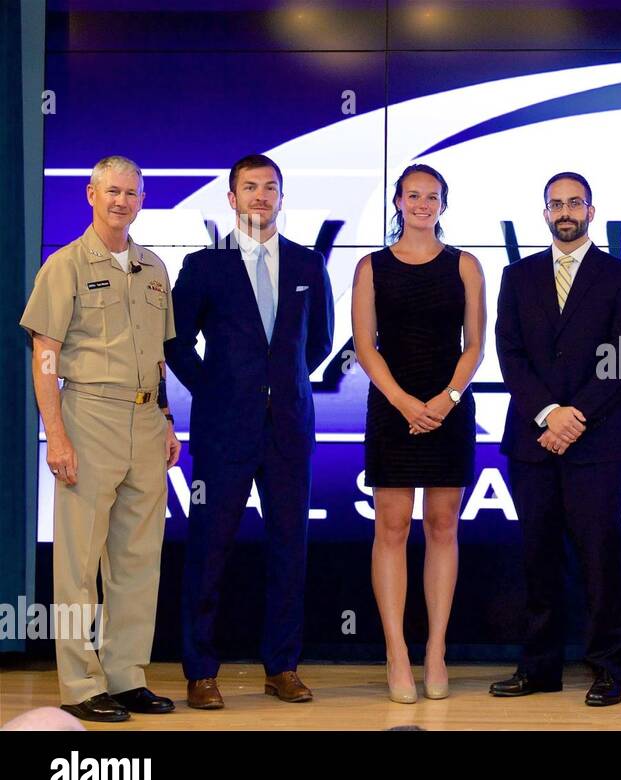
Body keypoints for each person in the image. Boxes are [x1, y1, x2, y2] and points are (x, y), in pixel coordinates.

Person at [166, 154, 334, 709]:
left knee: (291, 550)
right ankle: (200, 671)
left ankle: (282, 667)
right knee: (209, 549)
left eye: (270, 188)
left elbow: (318, 345)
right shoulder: (203, 267)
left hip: (289, 428)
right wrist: (213, 388)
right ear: (232, 199)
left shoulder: (309, 266)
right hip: (223, 432)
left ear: (281, 198)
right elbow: (174, 342)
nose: (260, 196)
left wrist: (278, 386)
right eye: (250, 188)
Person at [20, 155, 181, 722]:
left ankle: (126, 675)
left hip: (144, 423)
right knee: (76, 565)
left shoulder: (154, 268)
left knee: (138, 560)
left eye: (132, 192)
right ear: (90, 194)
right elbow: (45, 357)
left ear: (141, 199)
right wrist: (56, 436)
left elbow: (159, 357)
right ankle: (79, 683)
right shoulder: (64, 266)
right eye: (112, 191)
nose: (122, 201)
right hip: (87, 417)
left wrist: (165, 420)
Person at [490, 172, 621, 707]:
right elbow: (510, 354)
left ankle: (606, 668)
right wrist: (549, 414)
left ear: (592, 211)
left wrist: (575, 415)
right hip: (532, 442)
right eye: (556, 203)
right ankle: (538, 668)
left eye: (575, 202)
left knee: (601, 560)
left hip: (595, 442)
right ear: (544, 212)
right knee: (538, 558)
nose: (565, 211)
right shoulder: (518, 276)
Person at [352, 164, 486, 702]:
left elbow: (475, 344)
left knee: (442, 525)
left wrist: (446, 399)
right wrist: (406, 402)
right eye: (413, 196)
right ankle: (397, 653)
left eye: (432, 196)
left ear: (443, 204)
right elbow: (365, 346)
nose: (422, 204)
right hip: (392, 406)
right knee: (390, 528)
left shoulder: (466, 265)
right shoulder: (371, 267)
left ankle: (435, 651)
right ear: (398, 202)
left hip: (449, 405)